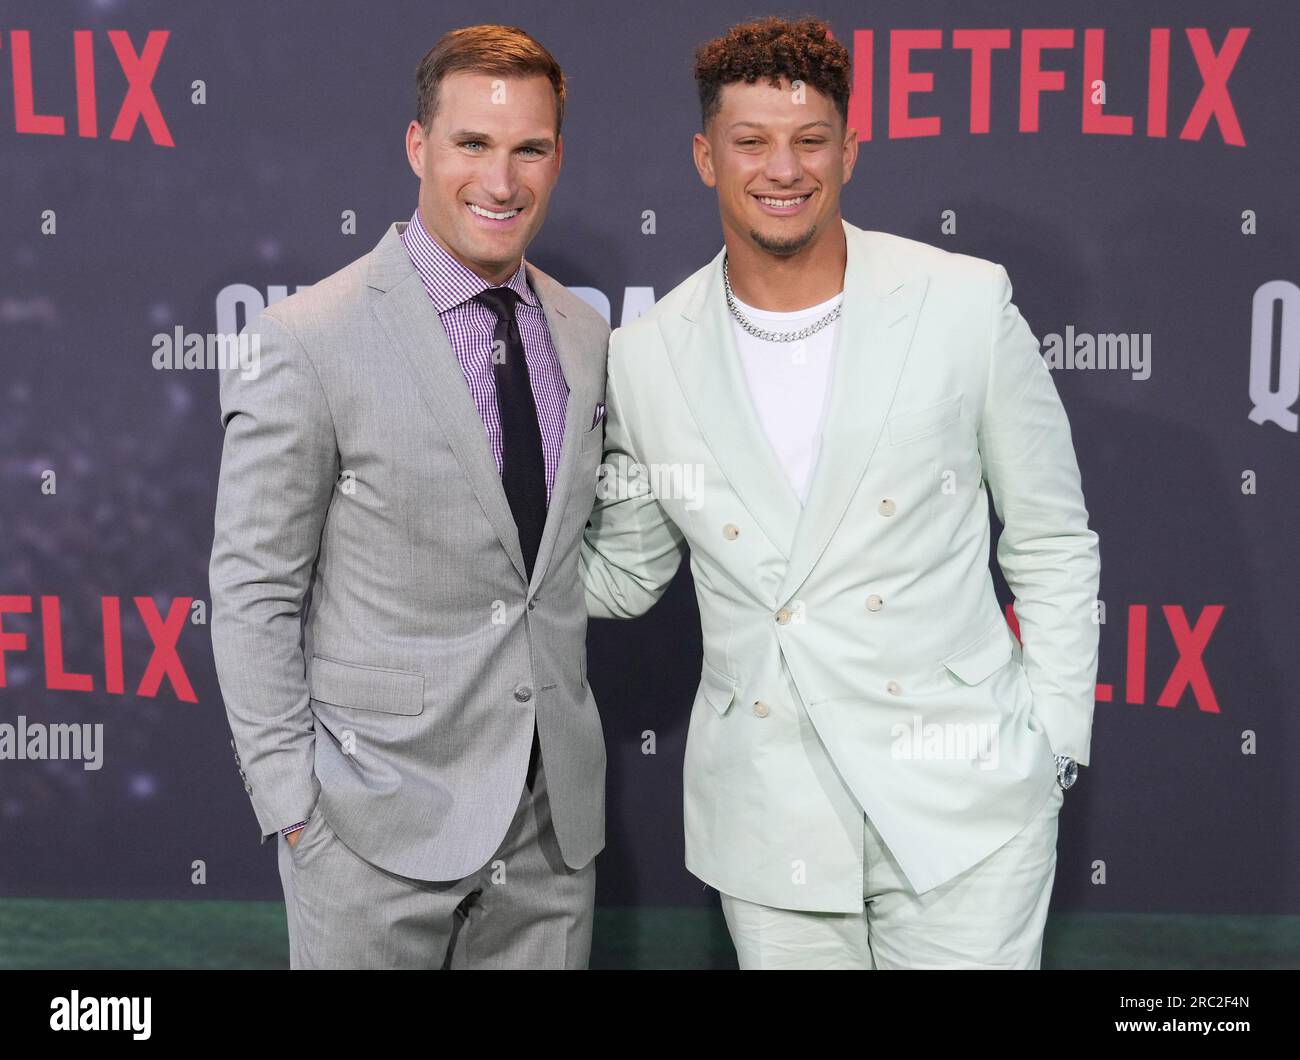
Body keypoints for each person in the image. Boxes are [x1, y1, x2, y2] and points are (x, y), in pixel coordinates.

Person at [581, 16, 1100, 969]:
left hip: (964, 801)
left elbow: (1053, 540)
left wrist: (1052, 744)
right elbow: (628, 570)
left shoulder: (962, 303)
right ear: (706, 157)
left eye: (809, 140)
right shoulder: (646, 356)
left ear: (850, 150)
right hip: (771, 811)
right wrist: (457, 550)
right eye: (751, 142)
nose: (783, 168)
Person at [210, 24, 611, 969]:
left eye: (530, 150)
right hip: (368, 831)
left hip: (550, 836)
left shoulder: (584, 334)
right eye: (472, 144)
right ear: (418, 147)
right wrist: (295, 812)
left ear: (558, 156)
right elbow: (254, 592)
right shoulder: (308, 338)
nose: (501, 181)